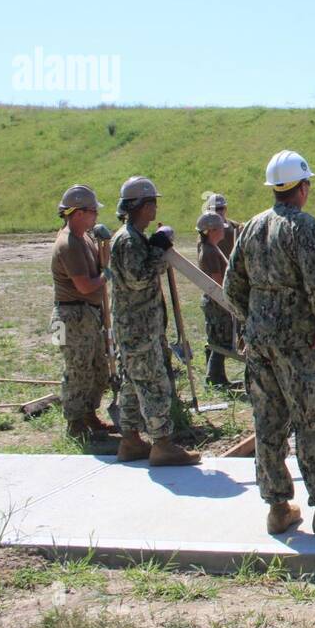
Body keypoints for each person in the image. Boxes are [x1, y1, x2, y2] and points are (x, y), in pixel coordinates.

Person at [224, 149, 315, 536]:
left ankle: (277, 508)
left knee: (268, 423)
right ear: (302, 188)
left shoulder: (252, 227)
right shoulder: (303, 228)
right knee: (313, 421)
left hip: (260, 344)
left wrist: (251, 322)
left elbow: (231, 285)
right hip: (299, 344)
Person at [107, 176, 201, 466]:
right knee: (153, 383)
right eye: (152, 203)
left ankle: (131, 440)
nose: (155, 209)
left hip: (136, 326)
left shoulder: (133, 237)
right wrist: (159, 250)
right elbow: (139, 279)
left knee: (133, 385)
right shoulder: (128, 240)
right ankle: (162, 444)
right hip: (139, 328)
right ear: (140, 206)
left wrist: (153, 246)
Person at [51, 185, 117, 440]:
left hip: (87, 314)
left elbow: (101, 262)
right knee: (78, 370)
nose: (95, 216)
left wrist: (106, 245)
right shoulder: (68, 244)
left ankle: (89, 414)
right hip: (72, 317)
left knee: (97, 368)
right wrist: (105, 277)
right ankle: (75, 422)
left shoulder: (85, 238)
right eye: (91, 211)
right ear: (77, 213)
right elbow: (85, 285)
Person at [197, 211, 238, 388]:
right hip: (216, 302)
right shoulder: (210, 252)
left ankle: (218, 377)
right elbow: (217, 280)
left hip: (216, 301)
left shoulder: (211, 248)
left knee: (219, 338)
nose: (224, 231)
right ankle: (213, 378)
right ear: (211, 230)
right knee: (220, 340)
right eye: (221, 228)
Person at [203, 193, 244, 259]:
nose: (219, 212)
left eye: (221, 208)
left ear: (225, 209)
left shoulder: (236, 227)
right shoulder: (205, 231)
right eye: (216, 209)